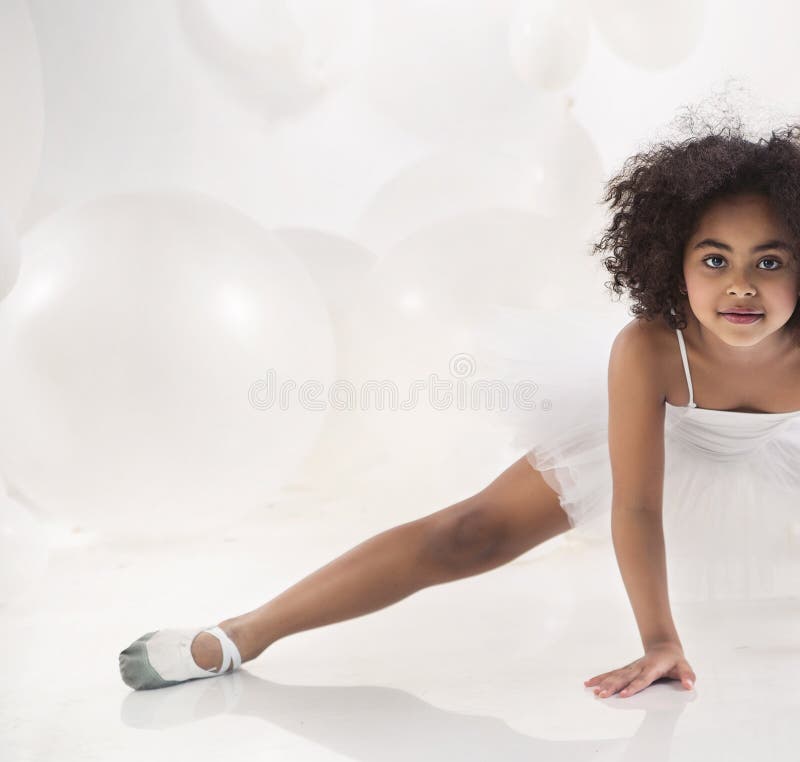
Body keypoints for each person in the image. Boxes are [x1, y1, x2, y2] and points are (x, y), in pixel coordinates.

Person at [119, 119, 800, 700]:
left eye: (769, 264)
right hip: (654, 442)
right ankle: (244, 631)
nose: (740, 287)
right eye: (715, 260)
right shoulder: (650, 348)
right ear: (673, 265)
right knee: (470, 533)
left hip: (779, 460)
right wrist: (658, 639)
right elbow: (637, 506)